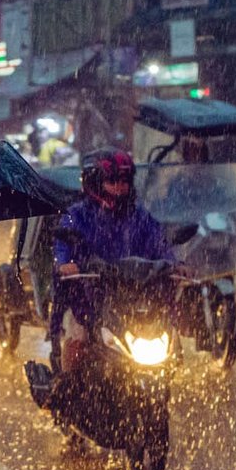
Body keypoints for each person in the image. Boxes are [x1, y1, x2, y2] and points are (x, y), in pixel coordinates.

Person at [47, 148, 175, 371]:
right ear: (97, 182)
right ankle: (65, 383)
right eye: (112, 180)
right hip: (89, 294)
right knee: (79, 338)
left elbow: (160, 243)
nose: (119, 186)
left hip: (134, 296)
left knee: (169, 339)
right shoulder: (77, 214)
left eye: (124, 180)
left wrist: (176, 264)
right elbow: (63, 245)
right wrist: (65, 264)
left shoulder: (139, 216)